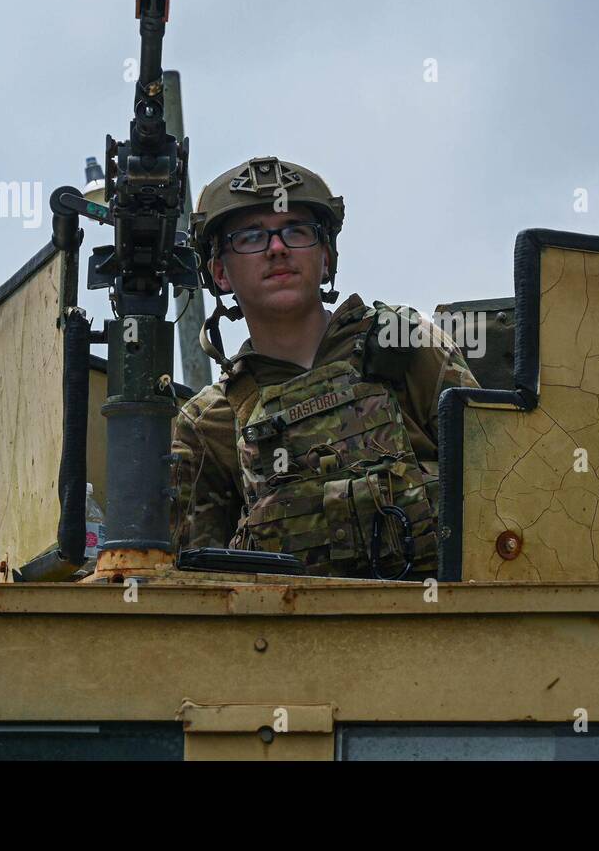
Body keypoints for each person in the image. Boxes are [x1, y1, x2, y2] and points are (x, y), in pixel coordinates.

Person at [170, 156, 480, 579]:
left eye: (296, 231)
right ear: (220, 273)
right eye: (251, 236)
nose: (277, 248)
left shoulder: (404, 346)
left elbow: (499, 482)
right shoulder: (208, 424)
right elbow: (195, 586)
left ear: (327, 258)